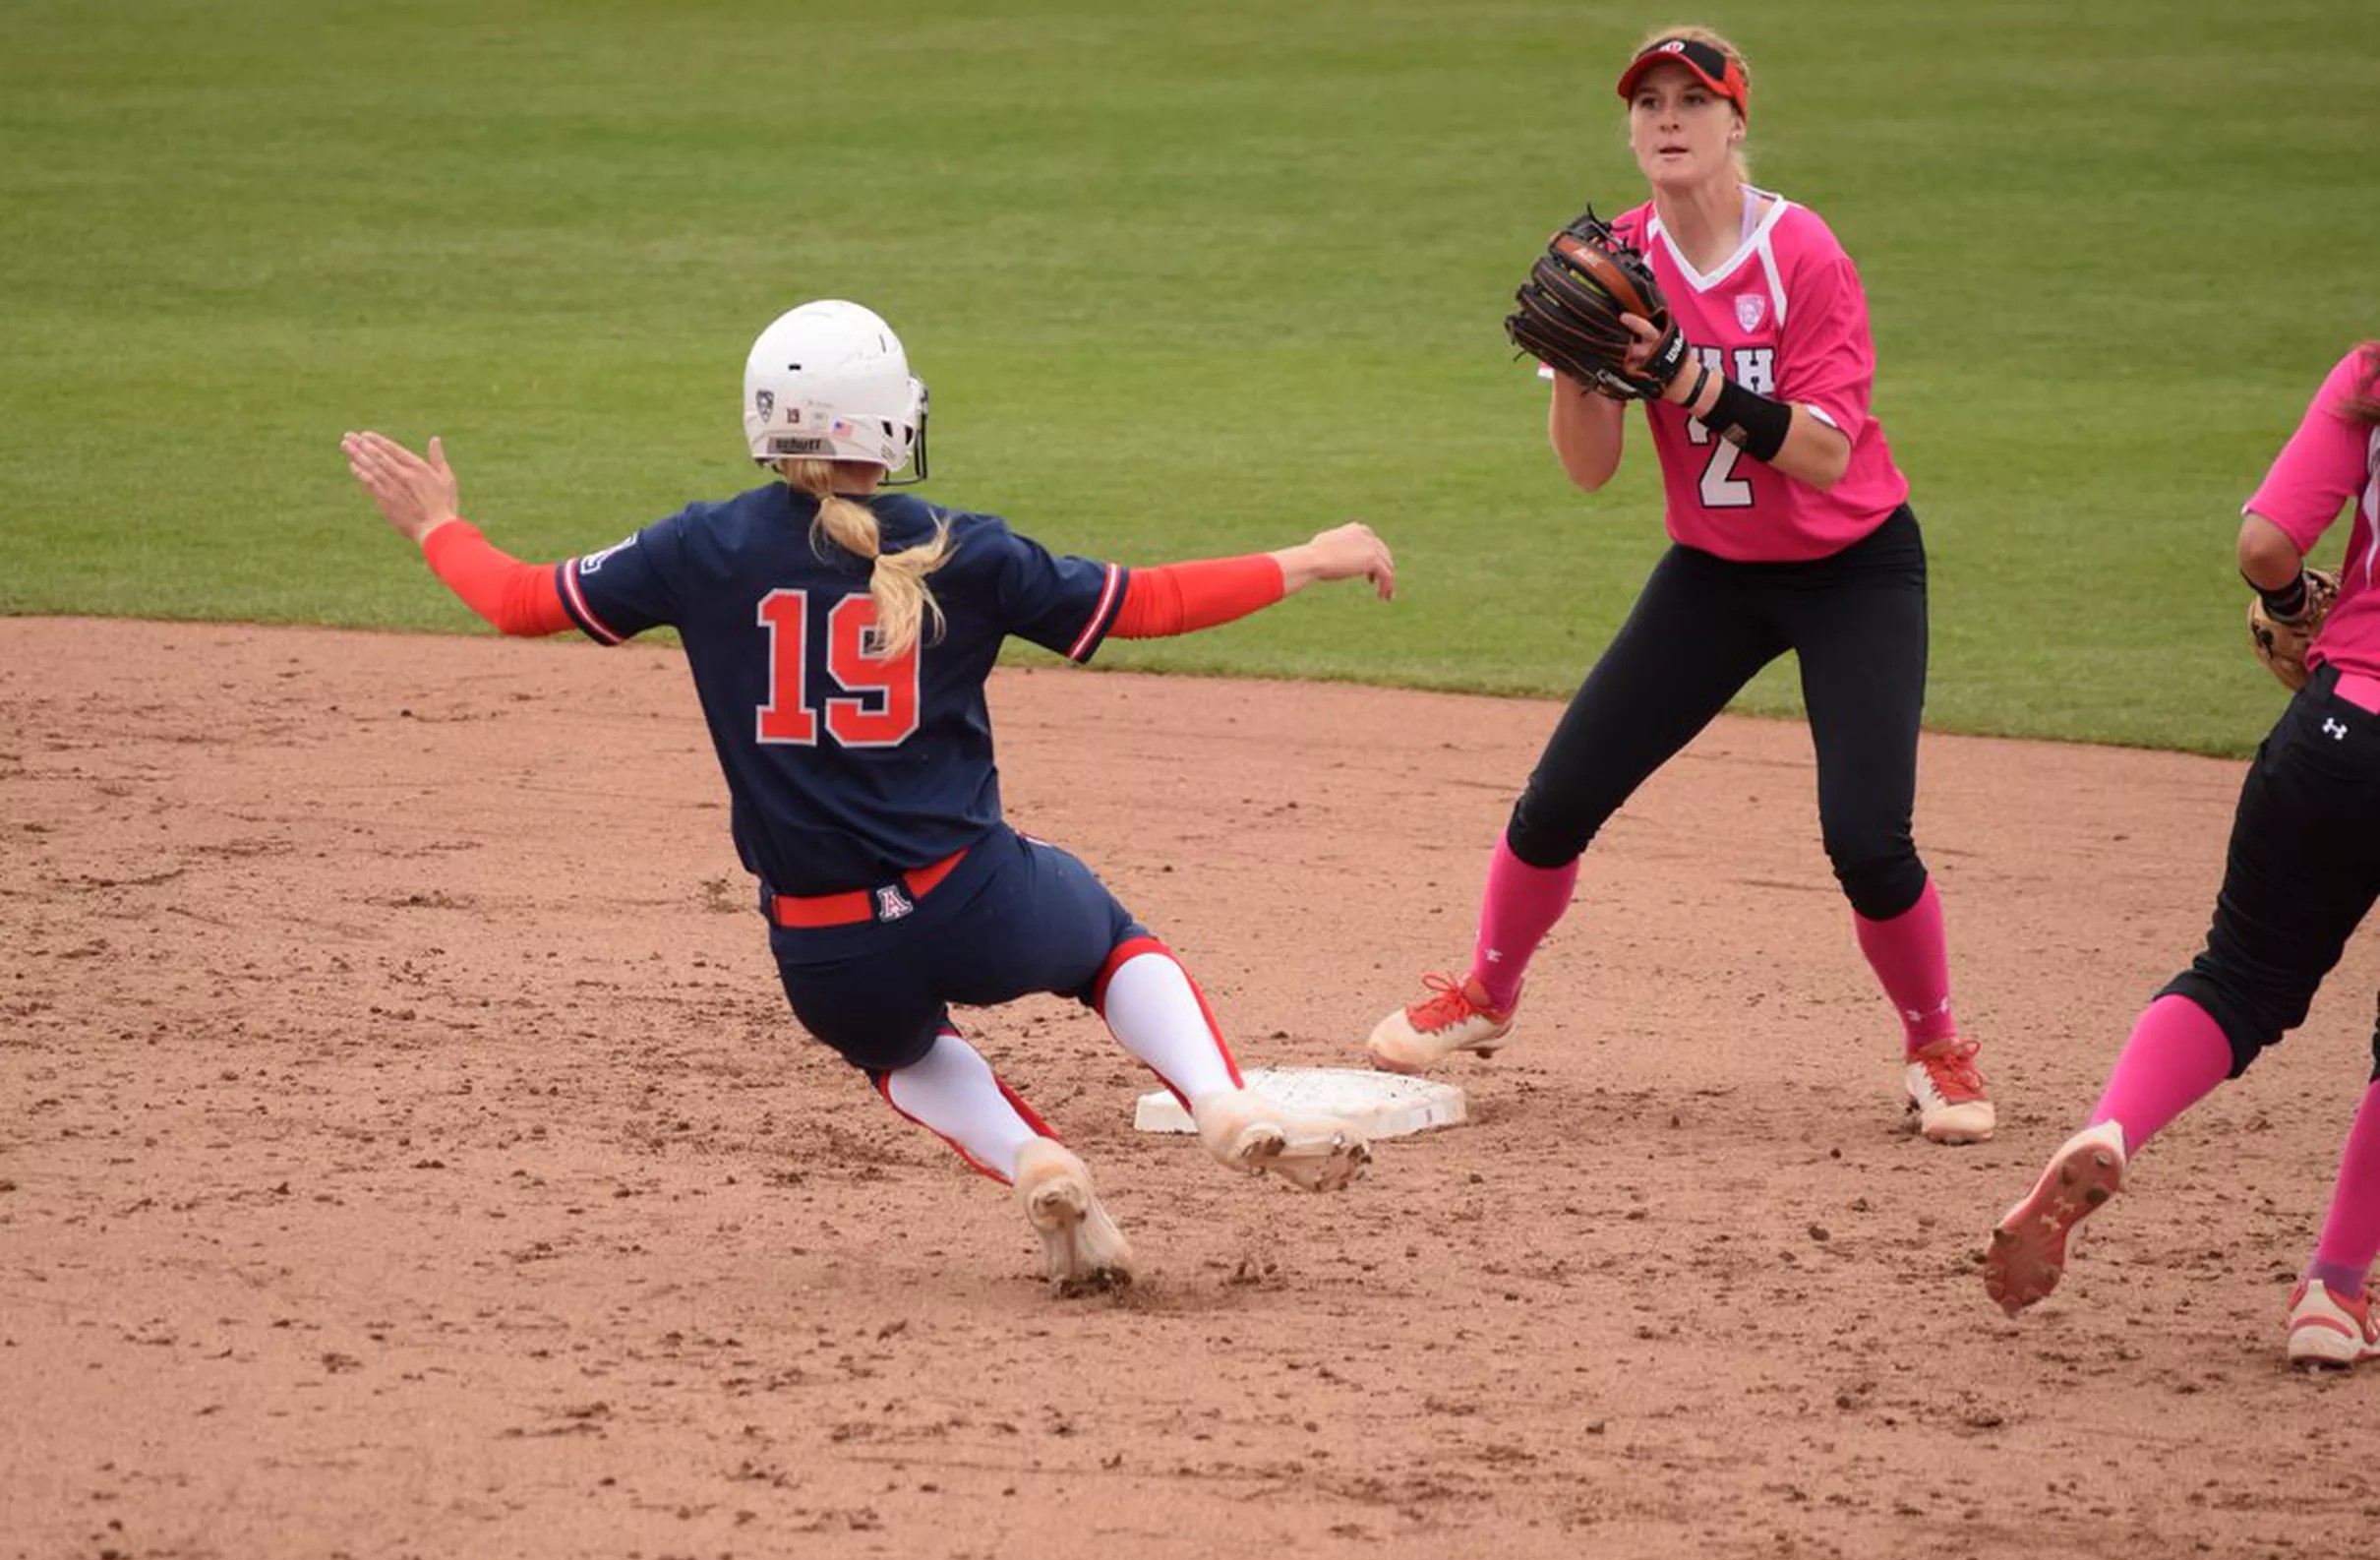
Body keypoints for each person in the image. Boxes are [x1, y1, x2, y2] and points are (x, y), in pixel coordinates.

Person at [341, 299, 1396, 1295]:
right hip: (978, 902)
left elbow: (519, 599)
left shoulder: (697, 547)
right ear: (887, 421)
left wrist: (438, 525)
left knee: (899, 1049)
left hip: (825, 952)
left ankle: (1031, 1157)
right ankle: (1218, 1100)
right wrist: (1309, 557)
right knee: (1110, 943)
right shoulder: (961, 546)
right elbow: (1144, 603)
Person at [1364, 26, 1992, 1144]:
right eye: (1648, 102)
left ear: (1735, 122)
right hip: (1715, 572)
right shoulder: (1616, 262)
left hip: (1854, 570)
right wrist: (1579, 371)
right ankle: (1488, 992)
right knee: (1558, 799)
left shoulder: (1801, 253)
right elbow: (1589, 470)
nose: (1667, 119)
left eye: (1692, 101)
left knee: (1865, 838)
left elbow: (1823, 454)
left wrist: (1684, 378)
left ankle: (1935, 1047)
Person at [1988, 342, 2380, 1366]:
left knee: (2236, 978)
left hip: (2336, 731)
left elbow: (2266, 544)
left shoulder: (2370, 374)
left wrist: (2295, 611)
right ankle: (2332, 1291)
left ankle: (2111, 1129)